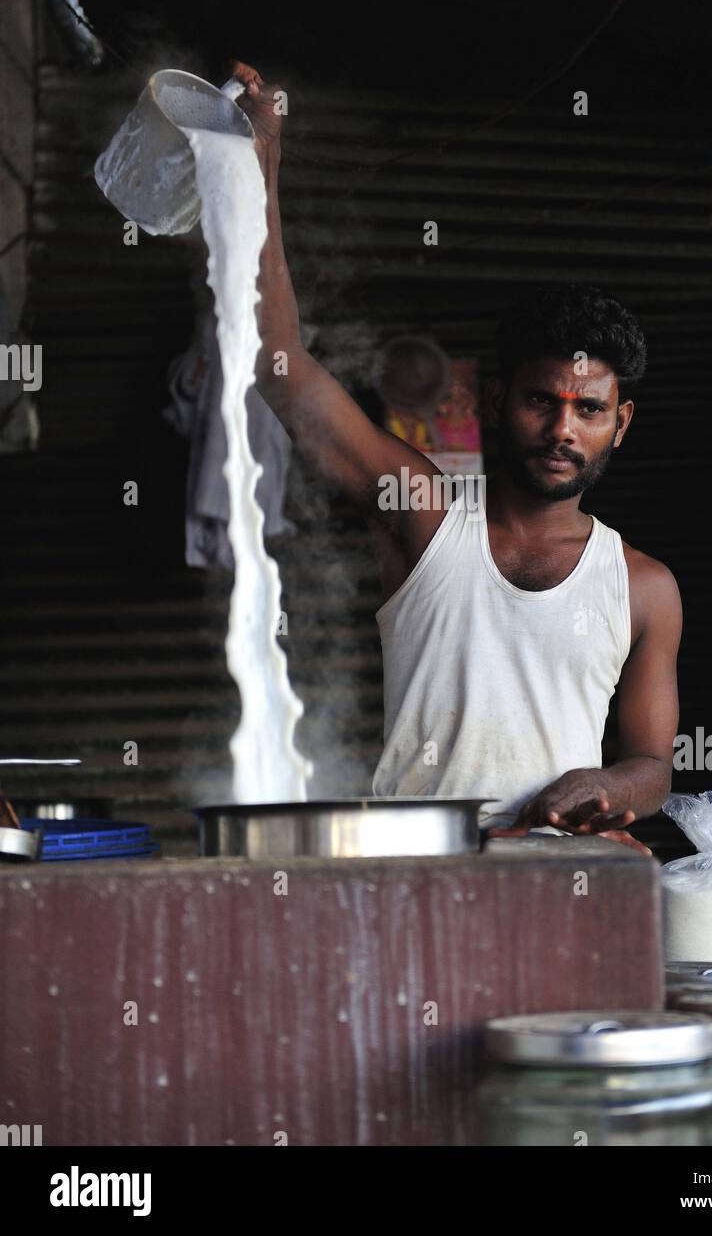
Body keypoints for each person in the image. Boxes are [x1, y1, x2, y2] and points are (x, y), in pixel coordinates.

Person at [235, 62, 682, 854]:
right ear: (493, 398)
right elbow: (277, 360)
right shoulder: (424, 512)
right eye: (541, 400)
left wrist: (606, 786)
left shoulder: (643, 587)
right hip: (412, 875)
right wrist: (260, 164)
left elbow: (651, 762)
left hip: (559, 885)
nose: (561, 430)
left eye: (588, 410)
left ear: (621, 424)